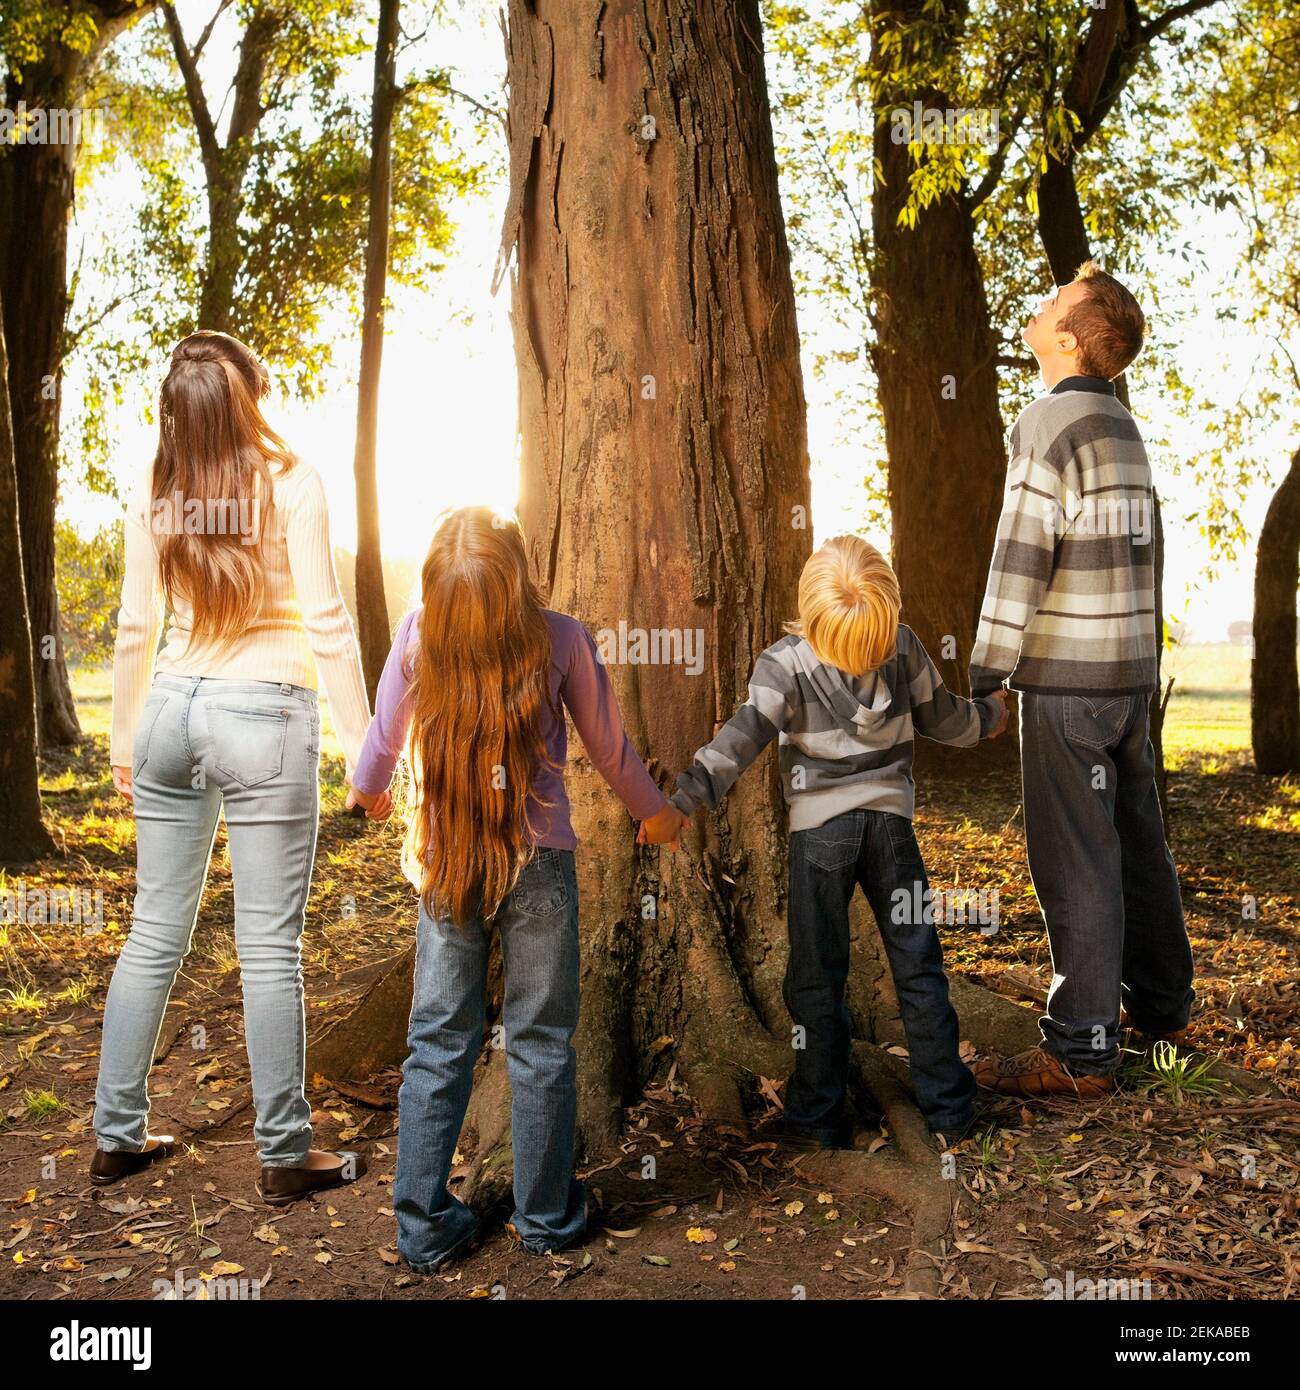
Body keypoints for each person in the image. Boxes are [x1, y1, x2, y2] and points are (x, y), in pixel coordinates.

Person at [346, 507, 684, 1271]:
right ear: (518, 580)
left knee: (437, 1041)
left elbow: (382, 735)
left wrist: (367, 791)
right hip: (539, 869)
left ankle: (425, 1226)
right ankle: (546, 1218)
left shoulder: (418, 633)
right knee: (539, 1039)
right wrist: (655, 814)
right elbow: (609, 746)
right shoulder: (560, 637)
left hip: (447, 863)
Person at [96, 331, 382, 1205]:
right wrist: (369, 754)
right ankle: (285, 1154)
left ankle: (115, 1138)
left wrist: (120, 741)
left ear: (174, 416)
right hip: (263, 712)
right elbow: (329, 624)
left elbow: (134, 629)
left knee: (152, 933)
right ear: (251, 396)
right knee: (267, 946)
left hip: (169, 717)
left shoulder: (158, 494)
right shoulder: (294, 483)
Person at [664, 535, 1007, 1145]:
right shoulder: (902, 647)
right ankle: (950, 1109)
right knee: (918, 966)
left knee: (817, 975)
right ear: (888, 603)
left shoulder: (785, 663)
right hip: (891, 831)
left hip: (820, 836)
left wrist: (684, 798)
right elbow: (945, 720)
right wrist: (989, 717)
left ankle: (818, 1118)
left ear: (811, 602)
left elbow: (740, 740)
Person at [968, 261, 1194, 1099]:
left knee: (1077, 859)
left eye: (1055, 301)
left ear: (1067, 340)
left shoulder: (1047, 424)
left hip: (1067, 680)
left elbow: (1020, 553)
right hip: (1130, 674)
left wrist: (989, 667)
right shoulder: (1122, 429)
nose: (1042, 301)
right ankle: (1166, 1008)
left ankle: (1081, 1051)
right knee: (1138, 843)